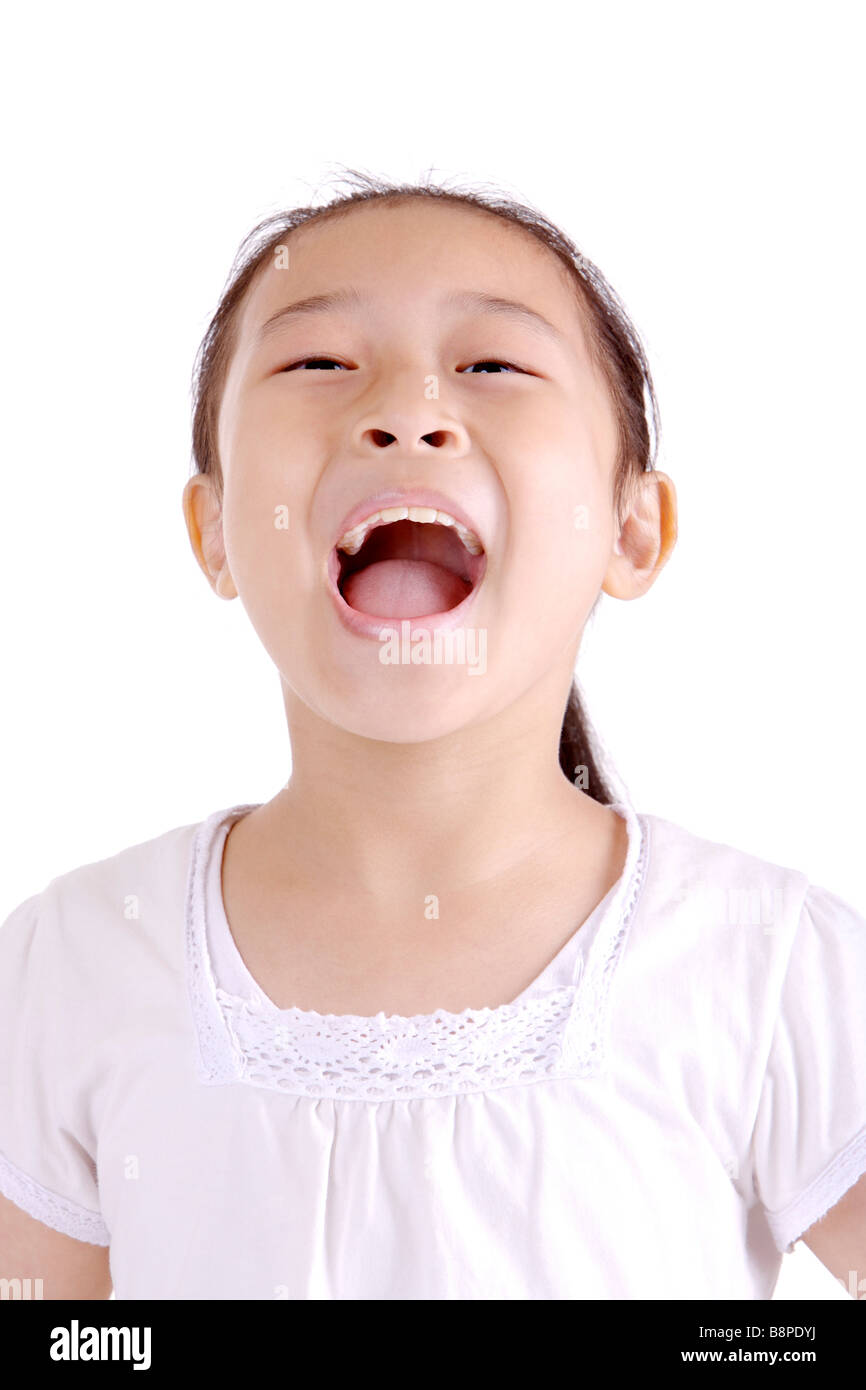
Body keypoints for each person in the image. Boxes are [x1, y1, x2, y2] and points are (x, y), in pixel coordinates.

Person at [1, 172, 864, 1300]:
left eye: (491, 365)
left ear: (630, 528)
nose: (407, 410)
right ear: (215, 531)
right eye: (317, 363)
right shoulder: (71, 961)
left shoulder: (765, 961)